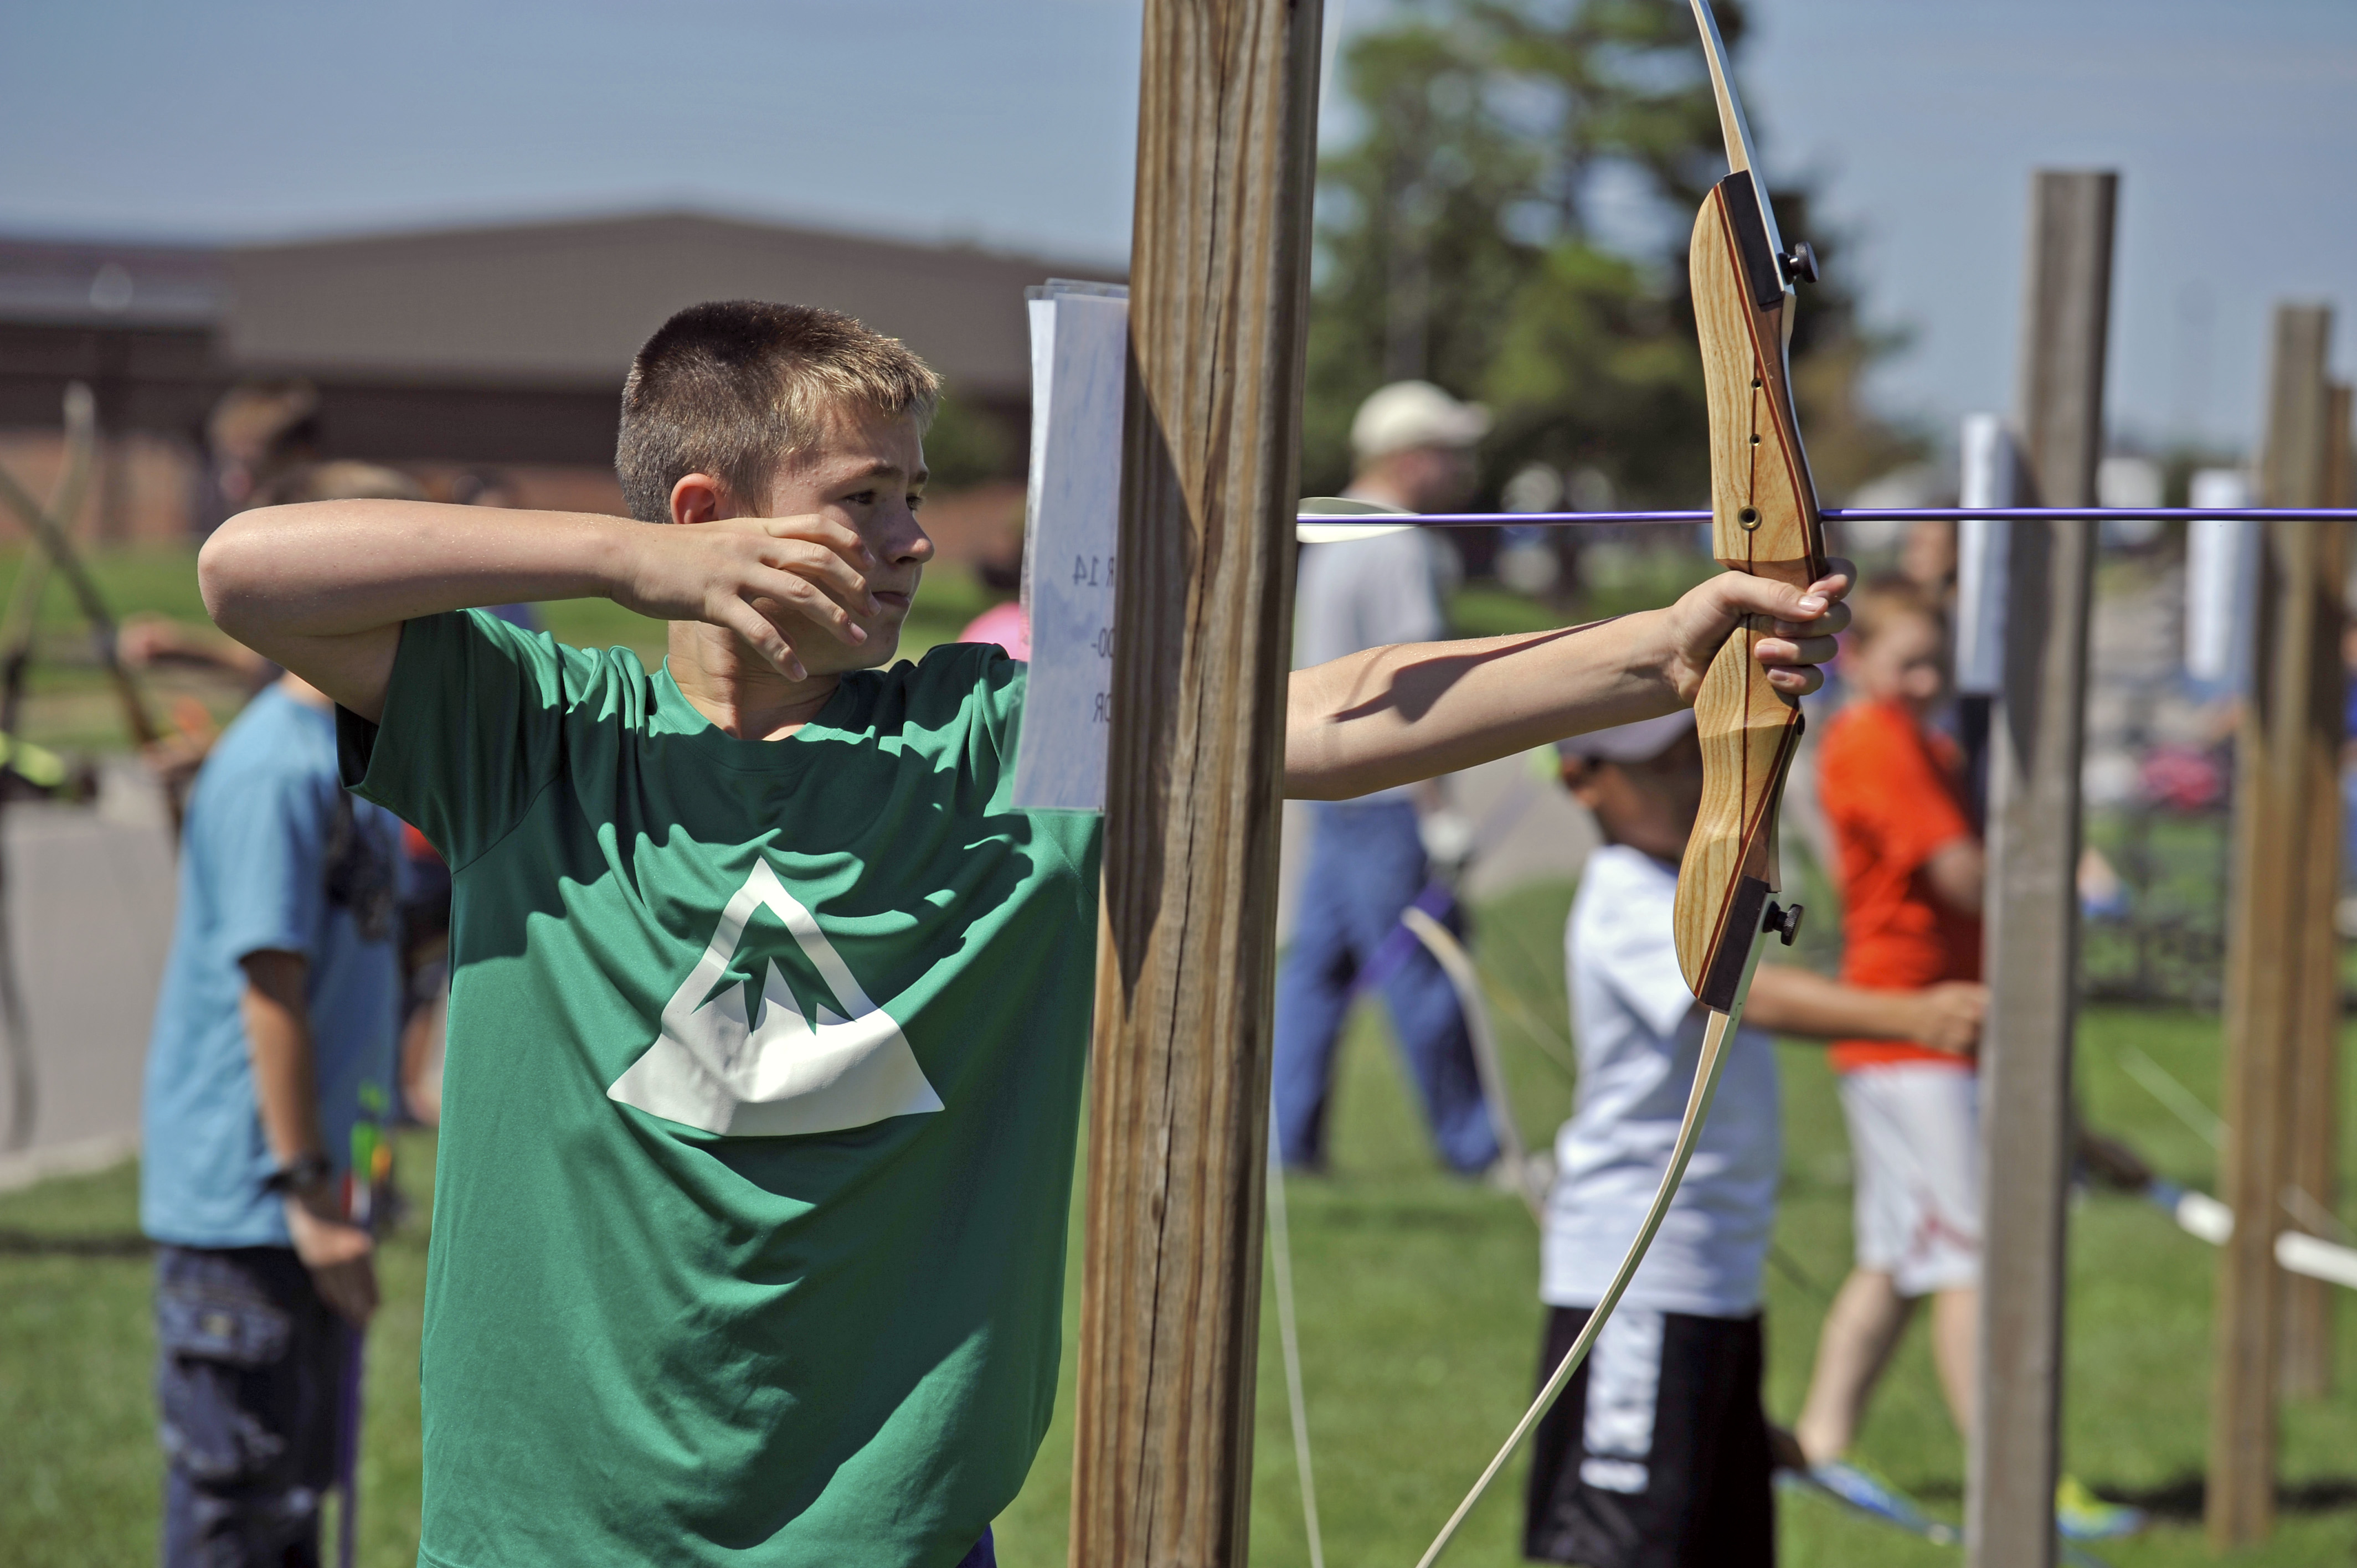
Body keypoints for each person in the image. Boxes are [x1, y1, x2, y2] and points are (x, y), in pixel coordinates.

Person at [197, 299, 1851, 1567]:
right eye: (868, 501)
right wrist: (628, 562)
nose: (919, 540)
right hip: (549, 1534)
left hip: (889, 1538)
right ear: (710, 512)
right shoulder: (540, 731)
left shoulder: (996, 740)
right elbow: (251, 571)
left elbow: (1333, 715)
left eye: (919, 496)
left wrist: (1663, 651)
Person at [1529, 710, 1986, 1567]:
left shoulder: (1682, 889)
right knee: (1620, 1549)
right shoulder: (1623, 894)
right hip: (1638, 1284)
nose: (1687, 786)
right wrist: (1912, 1014)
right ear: (1581, 782)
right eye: (1656, 769)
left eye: (1695, 764)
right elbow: (1734, 990)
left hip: (1716, 1282)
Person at [1789, 580, 2140, 1540]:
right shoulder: (1876, 741)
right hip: (1914, 1031)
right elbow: (1961, 874)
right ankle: (2016, 1477)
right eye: (1909, 661)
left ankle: (1816, 1444)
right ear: (1856, 662)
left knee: (1898, 1255)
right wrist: (2057, 889)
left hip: (1926, 1029)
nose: (1928, 679)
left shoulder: (1924, 742)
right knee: (1970, 1254)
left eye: (1938, 661)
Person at [138, 666, 406, 1564]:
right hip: (258, 1215)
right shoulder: (273, 771)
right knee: (244, 1514)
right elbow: (270, 989)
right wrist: (310, 1193)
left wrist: (361, 1182)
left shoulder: (354, 757)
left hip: (323, 1200)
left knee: (299, 1501)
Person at [1273, 379, 1497, 1177]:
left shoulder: (1334, 531)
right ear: (1412, 457)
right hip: (1391, 799)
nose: (1463, 466)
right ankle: (1476, 1152)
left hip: (1337, 797)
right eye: (1451, 450)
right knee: (1425, 972)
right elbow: (1418, 690)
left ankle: (1285, 1146)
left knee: (1316, 975)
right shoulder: (1399, 542)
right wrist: (1439, 810)